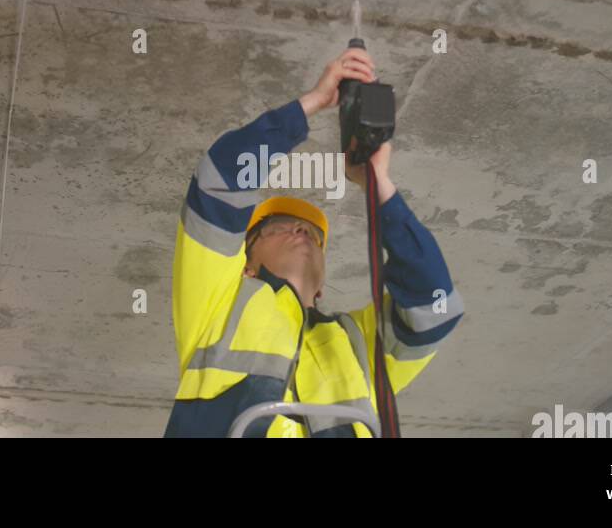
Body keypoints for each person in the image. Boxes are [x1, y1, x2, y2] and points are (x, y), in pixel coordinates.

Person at [164, 47, 464, 437]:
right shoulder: (218, 303)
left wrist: (379, 187)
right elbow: (219, 183)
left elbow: (435, 305)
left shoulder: (355, 341)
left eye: (314, 236)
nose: (302, 231)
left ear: (322, 286)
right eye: (279, 226)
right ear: (245, 263)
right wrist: (310, 104)